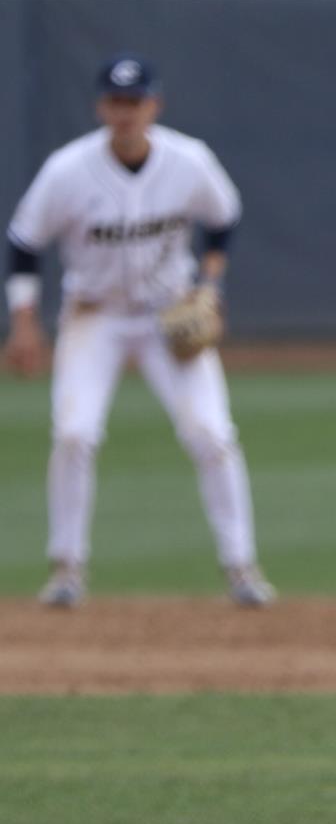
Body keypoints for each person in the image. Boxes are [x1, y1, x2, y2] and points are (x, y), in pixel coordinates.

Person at [4, 53, 275, 609]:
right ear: (100, 106)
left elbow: (224, 218)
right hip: (94, 316)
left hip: (166, 316)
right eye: (115, 102)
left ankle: (242, 568)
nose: (125, 113)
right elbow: (24, 242)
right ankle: (66, 569)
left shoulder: (189, 161)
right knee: (75, 433)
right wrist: (23, 323)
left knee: (212, 434)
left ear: (155, 105)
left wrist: (211, 284)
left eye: (135, 102)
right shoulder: (67, 170)